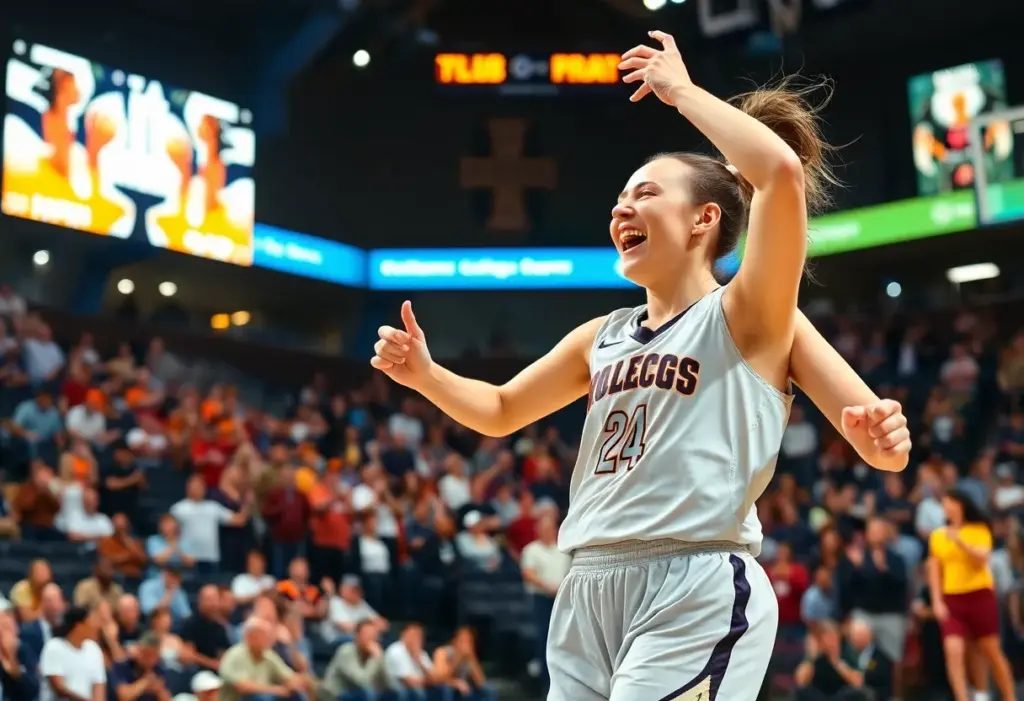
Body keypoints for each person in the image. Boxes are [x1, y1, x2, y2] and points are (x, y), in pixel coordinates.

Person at [370, 31, 911, 701]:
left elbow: (779, 173)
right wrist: (427, 375)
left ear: (702, 221)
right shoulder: (602, 334)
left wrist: (680, 92)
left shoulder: (748, 312)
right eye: (620, 198)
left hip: (693, 579)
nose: (621, 207)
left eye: (645, 193)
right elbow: (503, 410)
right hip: (587, 584)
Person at [927, 488, 1017, 701]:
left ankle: (1010, 696)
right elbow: (934, 570)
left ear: (961, 504)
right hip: (953, 597)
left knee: (991, 651)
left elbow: (981, 559)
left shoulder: (979, 530)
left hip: (979, 595)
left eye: (950, 502)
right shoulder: (937, 536)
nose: (946, 507)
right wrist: (936, 600)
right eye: (944, 503)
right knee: (953, 650)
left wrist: (960, 541)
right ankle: (962, 698)